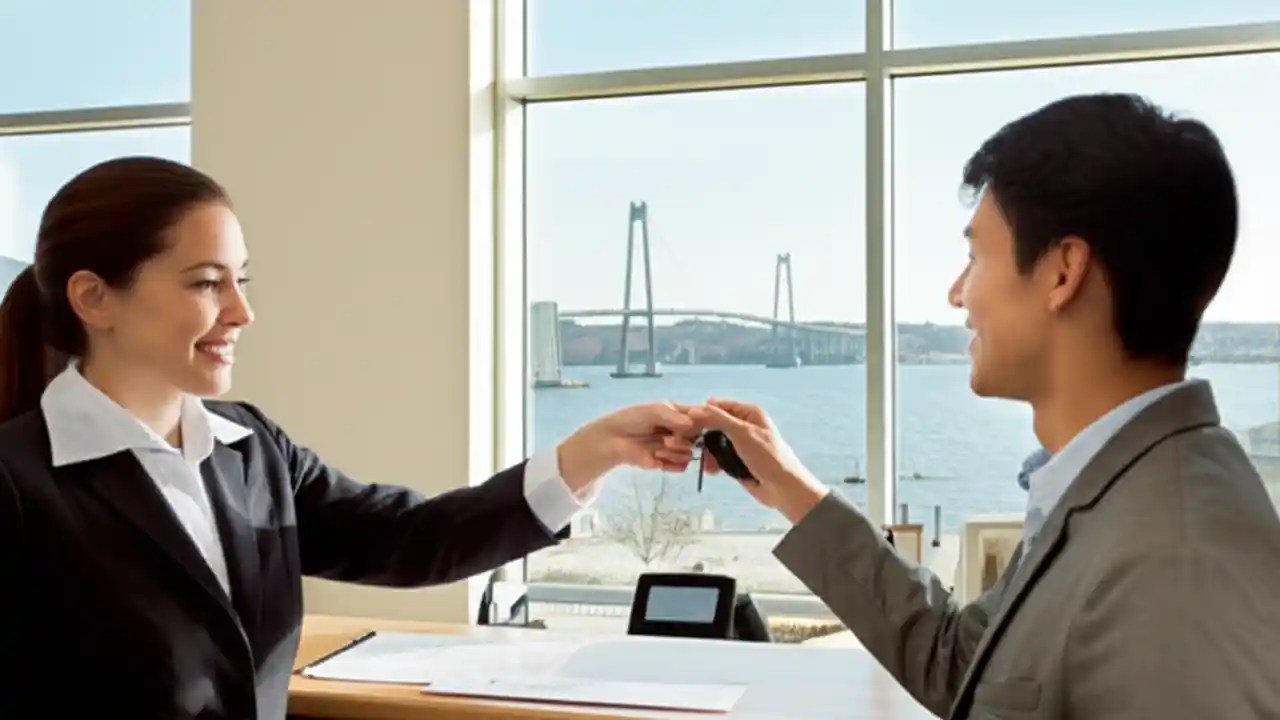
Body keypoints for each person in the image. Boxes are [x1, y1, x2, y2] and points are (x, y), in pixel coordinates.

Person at [0, 157, 698, 720]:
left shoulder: (250, 447)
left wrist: (591, 453)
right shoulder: (17, 482)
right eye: (207, 284)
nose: (243, 312)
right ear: (93, 298)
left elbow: (413, 538)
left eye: (241, 281)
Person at [689, 94, 1280, 718]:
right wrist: (788, 487)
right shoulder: (1115, 492)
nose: (956, 293)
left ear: (1062, 273)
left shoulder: (1175, 568)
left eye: (975, 256)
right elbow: (962, 662)